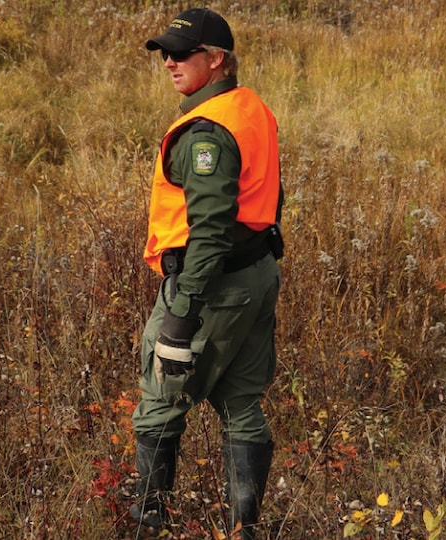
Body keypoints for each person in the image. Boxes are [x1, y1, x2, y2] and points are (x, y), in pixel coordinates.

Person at [129, 7, 284, 539]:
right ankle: (246, 529)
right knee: (242, 404)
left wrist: (182, 311)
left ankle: (148, 525)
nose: (168, 62)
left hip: (212, 288)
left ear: (215, 60)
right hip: (256, 273)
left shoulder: (206, 133)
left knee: (160, 403)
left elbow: (211, 230)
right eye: (164, 53)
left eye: (180, 53)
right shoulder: (250, 108)